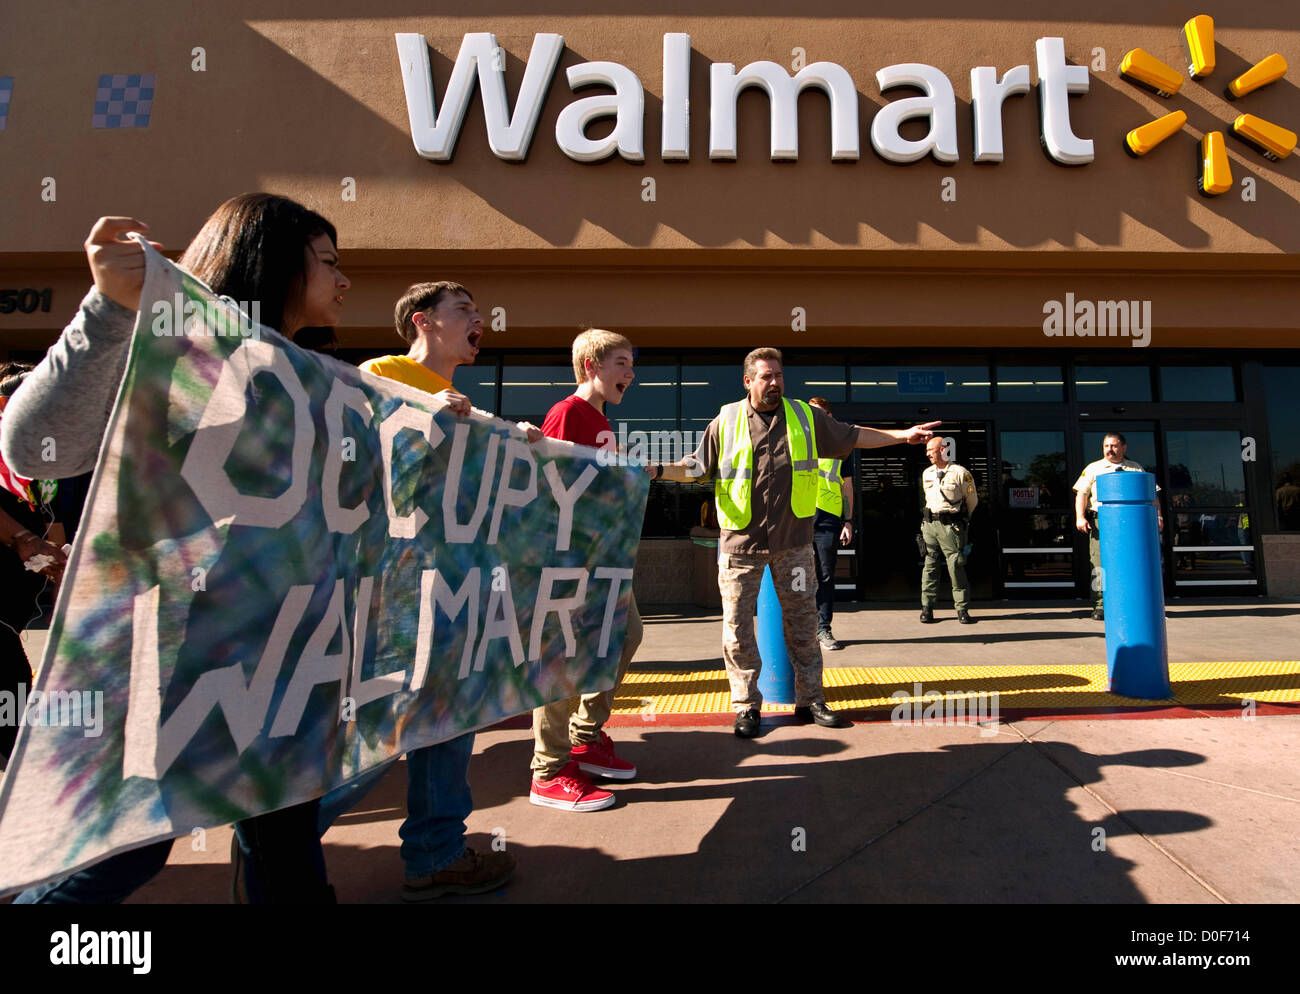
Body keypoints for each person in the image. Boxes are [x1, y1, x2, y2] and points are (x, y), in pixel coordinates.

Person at [1, 194, 350, 903]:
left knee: (286, 848)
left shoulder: (315, 381)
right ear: (274, 262)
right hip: (170, 663)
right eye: (328, 262)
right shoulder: (170, 346)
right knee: (123, 853)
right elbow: (34, 447)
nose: (344, 281)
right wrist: (110, 307)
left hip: (280, 667)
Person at [652, 348, 937, 738]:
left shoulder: (805, 417)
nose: (775, 382)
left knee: (803, 623)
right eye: (766, 376)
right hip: (741, 545)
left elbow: (853, 435)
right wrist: (657, 470)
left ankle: (811, 700)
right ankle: (747, 705)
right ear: (748, 381)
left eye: (779, 375)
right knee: (737, 628)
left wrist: (902, 436)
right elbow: (697, 467)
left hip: (794, 544)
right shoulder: (727, 420)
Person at [357, 281, 518, 900]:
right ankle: (276, 847)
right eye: (465, 311)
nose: (480, 320)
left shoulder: (461, 402)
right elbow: (359, 455)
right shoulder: (383, 373)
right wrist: (427, 412)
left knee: (447, 717)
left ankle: (437, 853)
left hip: (447, 585)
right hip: (394, 587)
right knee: (376, 721)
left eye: (478, 310)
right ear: (423, 322)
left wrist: (516, 446)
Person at [528, 329, 643, 813]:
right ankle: (548, 772)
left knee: (625, 635)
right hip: (569, 559)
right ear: (591, 366)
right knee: (562, 657)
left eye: (631, 364)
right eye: (621, 363)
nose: (630, 373)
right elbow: (551, 485)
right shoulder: (568, 412)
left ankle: (584, 737)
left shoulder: (599, 419)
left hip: (599, 556)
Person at [1073, 432, 1163, 621]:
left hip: (1131, 523)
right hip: (1101, 522)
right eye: (1106, 446)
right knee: (1099, 565)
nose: (1110, 450)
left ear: (1123, 447)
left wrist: (1158, 516)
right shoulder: (1093, 468)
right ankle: (1100, 605)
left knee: (1131, 562)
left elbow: (1152, 495)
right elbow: (1082, 494)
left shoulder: (1136, 468)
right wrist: (1080, 517)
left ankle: (1132, 604)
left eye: (1114, 446)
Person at [807, 397, 854, 650]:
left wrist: (848, 520)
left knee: (825, 576)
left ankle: (823, 628)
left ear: (829, 417)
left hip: (828, 519)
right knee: (797, 575)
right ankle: (800, 629)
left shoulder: (840, 446)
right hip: (799, 517)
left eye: (818, 414)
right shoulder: (798, 442)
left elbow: (847, 486)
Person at [919, 436, 978, 625]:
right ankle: (927, 608)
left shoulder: (960, 473)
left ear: (943, 450)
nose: (928, 454)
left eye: (931, 450)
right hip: (930, 526)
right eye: (927, 450)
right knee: (929, 566)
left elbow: (972, 500)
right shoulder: (927, 473)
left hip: (951, 527)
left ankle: (962, 609)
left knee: (956, 566)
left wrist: (961, 519)